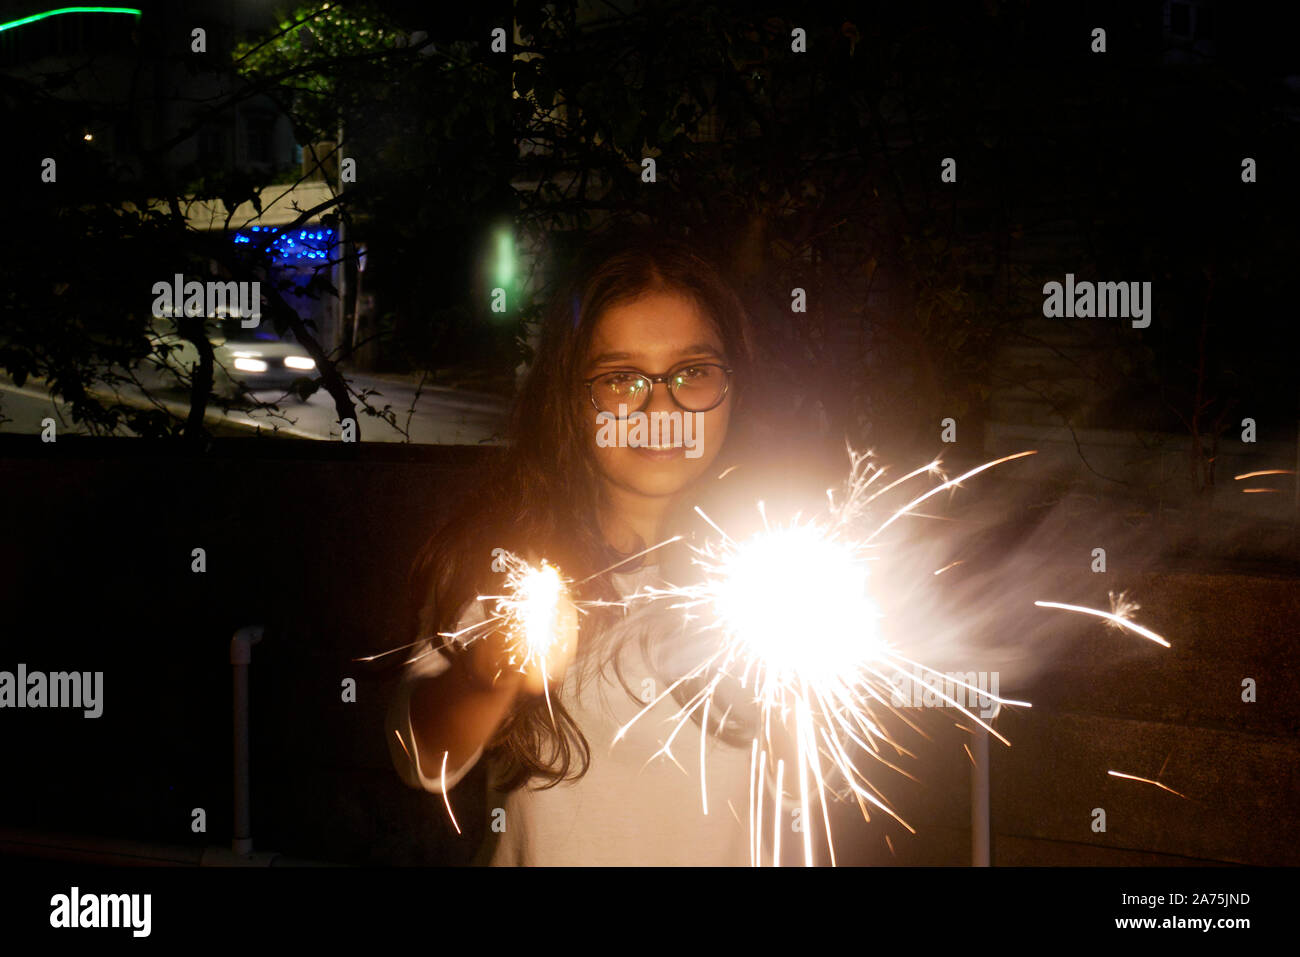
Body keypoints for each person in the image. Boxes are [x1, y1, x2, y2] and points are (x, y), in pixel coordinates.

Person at [386, 225, 793, 865]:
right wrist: (491, 673)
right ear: (571, 400)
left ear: (734, 385)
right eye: (620, 378)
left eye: (692, 371)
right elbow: (422, 761)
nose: (661, 405)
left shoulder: (790, 567)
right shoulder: (510, 563)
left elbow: (817, 788)